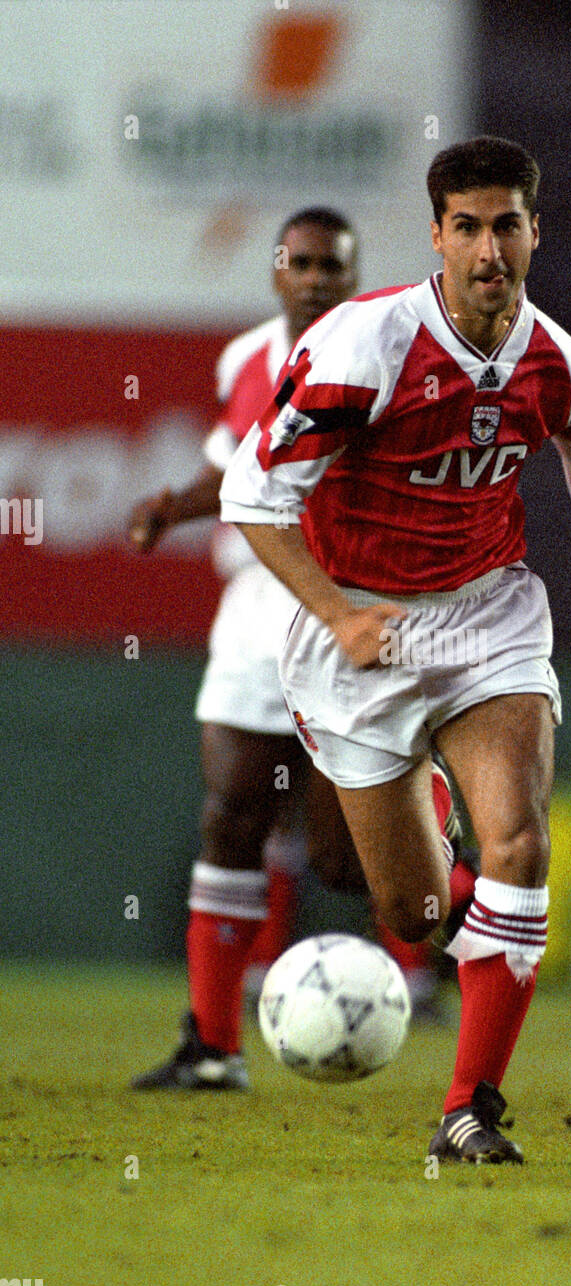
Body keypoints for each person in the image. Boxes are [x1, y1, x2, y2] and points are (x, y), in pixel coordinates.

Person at [220, 137, 571, 1161]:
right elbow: (254, 495)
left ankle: (467, 1111)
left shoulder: (556, 359)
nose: (487, 247)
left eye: (506, 224)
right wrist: (337, 614)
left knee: (519, 844)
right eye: (466, 226)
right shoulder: (361, 343)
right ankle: (444, 863)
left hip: (486, 617)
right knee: (410, 914)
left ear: (533, 233)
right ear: (436, 236)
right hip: (358, 636)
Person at [128, 210, 367, 1090]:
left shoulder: (384, 349)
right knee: (231, 814)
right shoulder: (245, 359)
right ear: (276, 272)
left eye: (330, 266)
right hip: (256, 606)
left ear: (352, 274)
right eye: (299, 263)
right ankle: (214, 1047)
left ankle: (456, 963)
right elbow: (235, 467)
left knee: (357, 852)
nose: (313, 279)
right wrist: (168, 506)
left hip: (346, 605)